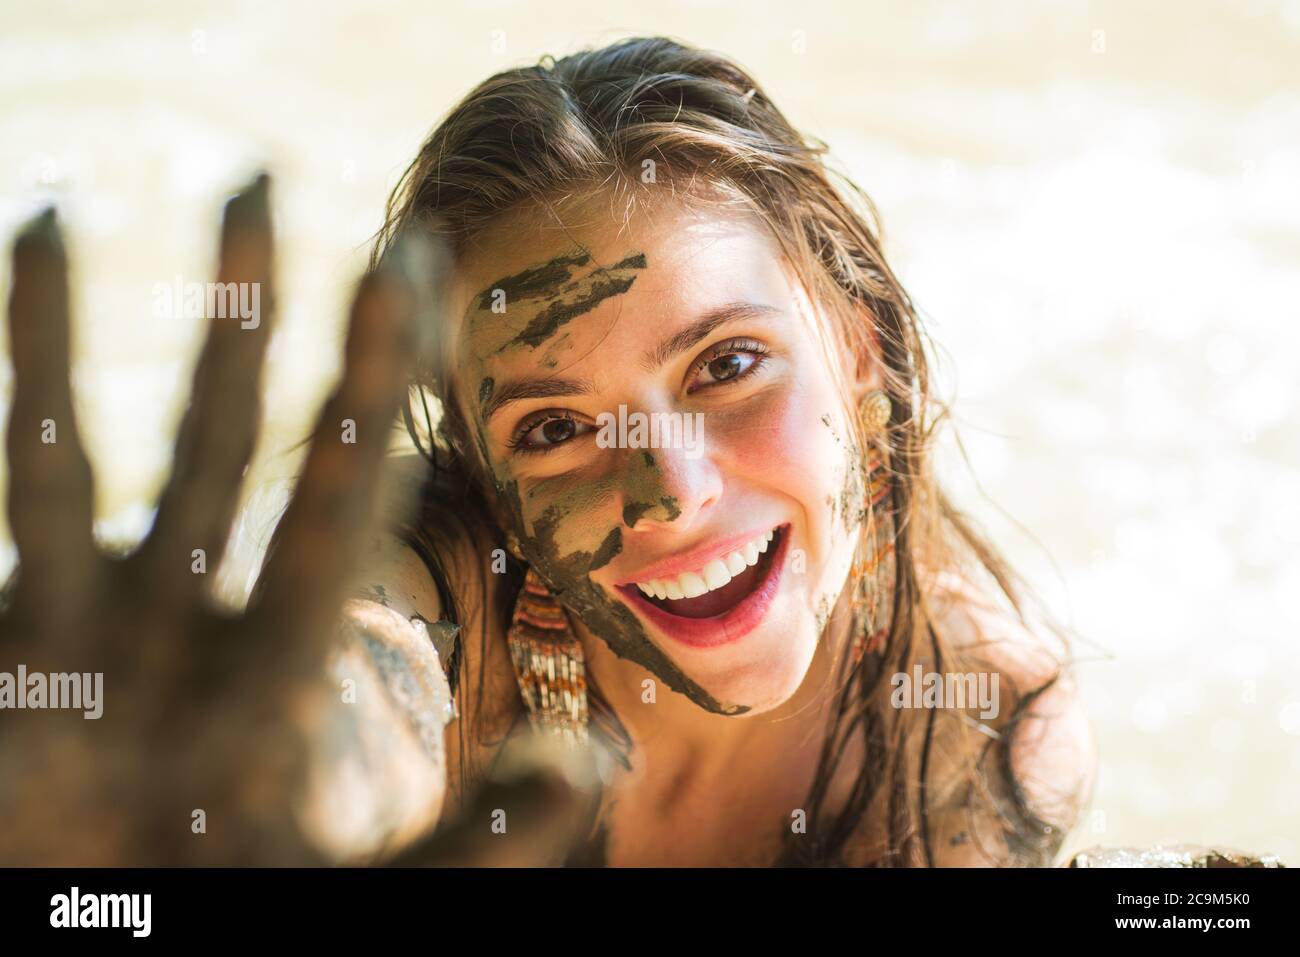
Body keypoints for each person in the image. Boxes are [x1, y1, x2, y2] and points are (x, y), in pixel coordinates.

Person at [0, 36, 1094, 867]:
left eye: (726, 365)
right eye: (555, 428)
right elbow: (356, 692)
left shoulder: (979, 731)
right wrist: (246, 780)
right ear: (479, 472)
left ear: (857, 351)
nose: (670, 490)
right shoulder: (426, 577)